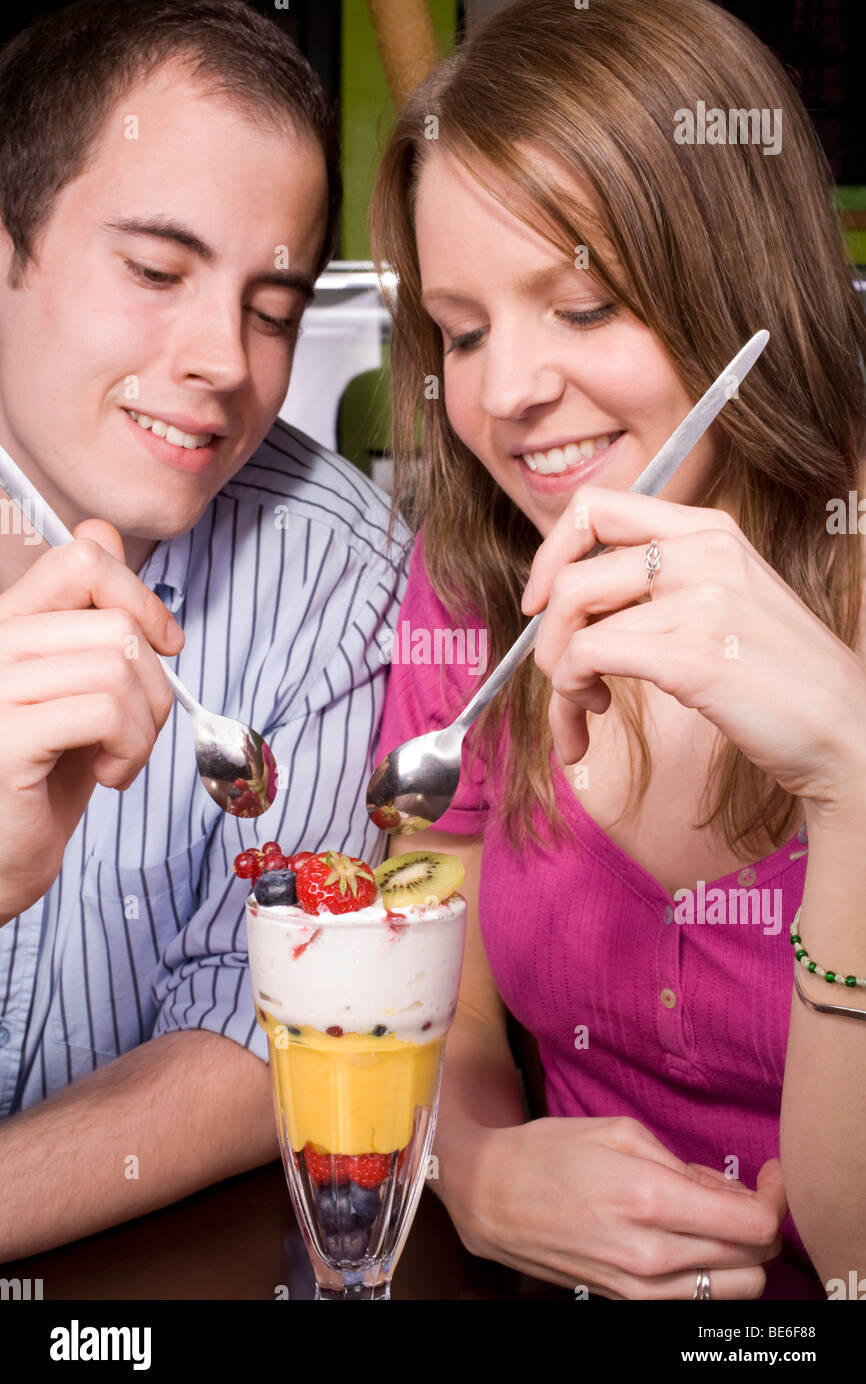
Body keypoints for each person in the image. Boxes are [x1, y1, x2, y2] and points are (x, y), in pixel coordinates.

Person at [370, 0, 866, 1300]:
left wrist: (854, 785)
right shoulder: (473, 568)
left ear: (739, 284)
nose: (503, 391)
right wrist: (473, 1163)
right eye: (463, 331)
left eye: (582, 304)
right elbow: (436, 941)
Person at [0, 0, 406, 1261]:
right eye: (157, 272)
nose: (222, 360)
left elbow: (261, 1034)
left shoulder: (337, 570)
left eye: (272, 307)